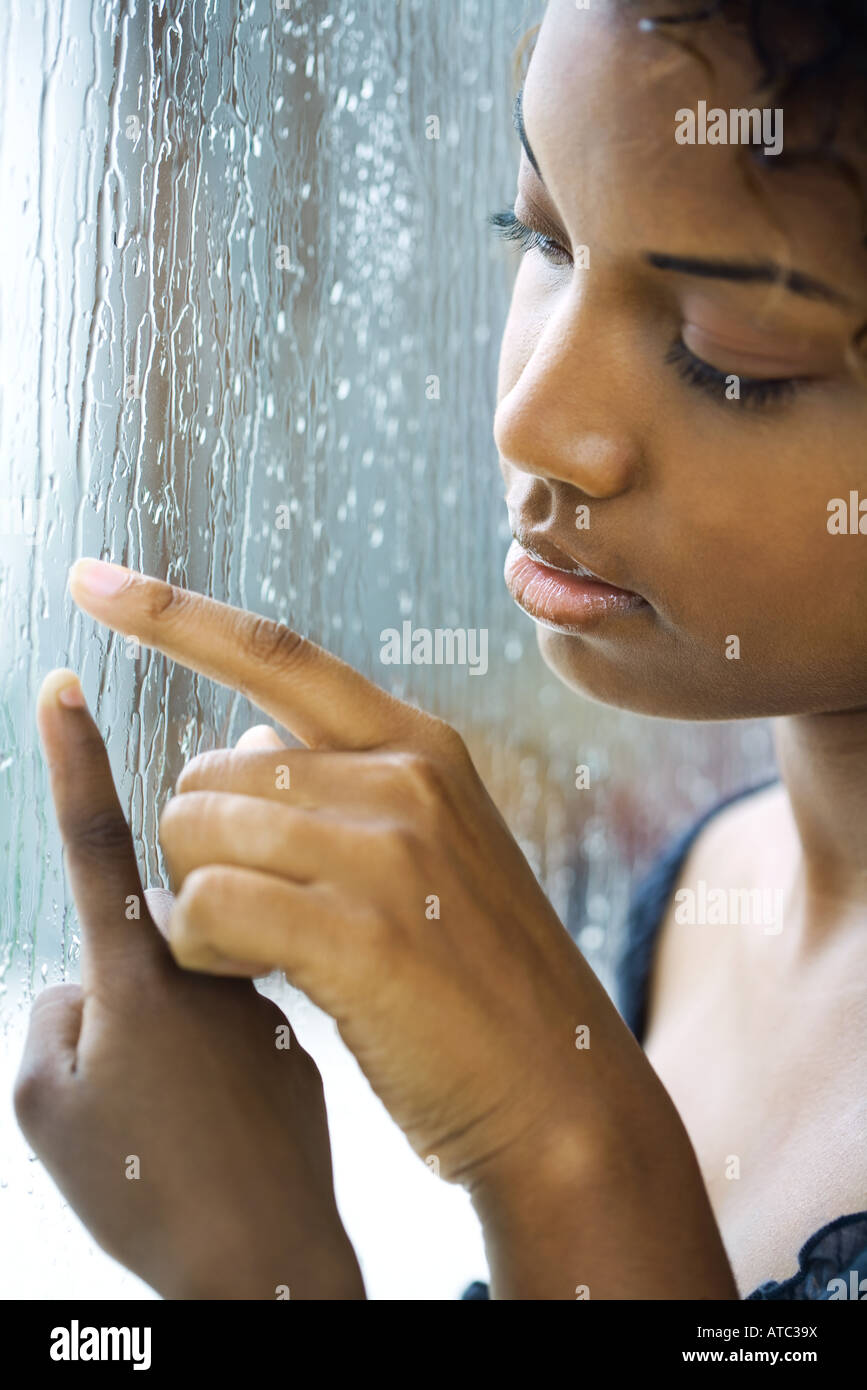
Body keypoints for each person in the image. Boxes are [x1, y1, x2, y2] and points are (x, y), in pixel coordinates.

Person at [15, 0, 867, 1299]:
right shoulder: (690, 905)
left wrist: (284, 1258)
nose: (536, 422)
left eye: (731, 363)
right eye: (541, 233)